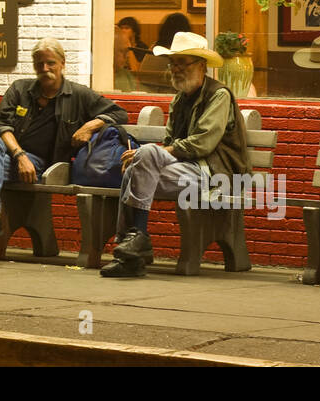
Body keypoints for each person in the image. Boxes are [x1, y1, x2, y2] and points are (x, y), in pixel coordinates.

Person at [0, 37, 128, 263]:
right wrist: (19, 156)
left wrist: (90, 125)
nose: (45, 69)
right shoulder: (20, 89)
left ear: (62, 64)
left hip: (46, 166)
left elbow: (119, 114)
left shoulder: (78, 94)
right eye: (39, 64)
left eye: (51, 63)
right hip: (12, 158)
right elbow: (2, 126)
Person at [101, 31, 250, 277]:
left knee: (145, 155)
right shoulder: (180, 98)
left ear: (201, 66)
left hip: (214, 174)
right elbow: (170, 141)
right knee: (136, 167)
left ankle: (133, 247)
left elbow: (203, 143)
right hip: (185, 171)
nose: (175, 69)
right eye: (173, 63)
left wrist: (155, 153)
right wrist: (150, 156)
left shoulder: (219, 95)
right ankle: (135, 246)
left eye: (182, 63)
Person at [114, 16, 150, 91]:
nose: (123, 30)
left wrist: (129, 46)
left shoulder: (142, 47)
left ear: (134, 32)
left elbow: (136, 71)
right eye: (121, 28)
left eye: (127, 28)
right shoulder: (116, 45)